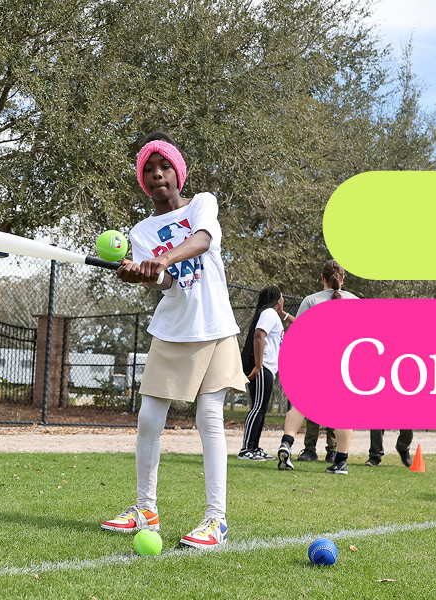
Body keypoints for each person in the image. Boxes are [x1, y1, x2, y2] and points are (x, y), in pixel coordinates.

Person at [100, 132, 246, 550]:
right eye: (148, 170)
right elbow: (166, 283)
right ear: (143, 181)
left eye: (164, 167)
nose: (157, 175)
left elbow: (202, 239)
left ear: (178, 173)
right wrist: (143, 274)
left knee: (210, 418)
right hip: (172, 330)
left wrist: (163, 258)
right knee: (149, 419)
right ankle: (146, 508)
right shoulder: (141, 231)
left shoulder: (203, 203)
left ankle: (216, 520)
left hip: (216, 326)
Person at [275, 259, 359, 474]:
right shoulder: (356, 301)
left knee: (301, 407)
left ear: (322, 278)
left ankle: (287, 443)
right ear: (342, 279)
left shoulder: (311, 300)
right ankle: (341, 462)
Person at [237, 286, 293, 461]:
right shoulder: (268, 313)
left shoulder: (272, 313)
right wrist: (258, 366)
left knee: (261, 408)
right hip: (263, 367)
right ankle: (246, 449)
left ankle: (254, 447)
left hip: (268, 368)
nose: (283, 300)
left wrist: (282, 312)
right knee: (258, 408)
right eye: (282, 297)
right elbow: (259, 335)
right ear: (277, 299)